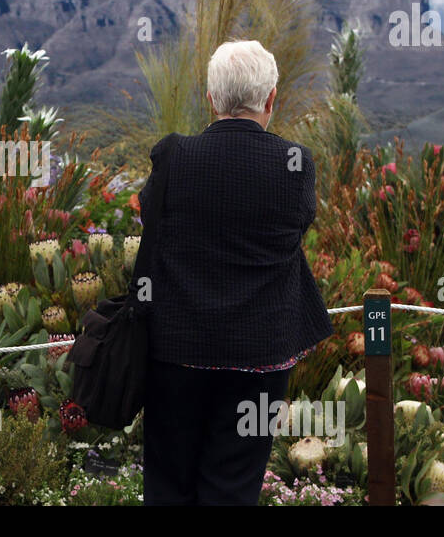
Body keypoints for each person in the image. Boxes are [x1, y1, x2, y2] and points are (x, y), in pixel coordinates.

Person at [140, 39, 331, 506]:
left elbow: (151, 217)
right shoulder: (296, 164)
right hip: (259, 359)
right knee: (235, 486)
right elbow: (297, 226)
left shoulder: (173, 155)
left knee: (167, 482)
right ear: (270, 100)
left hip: (175, 353)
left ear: (211, 99)